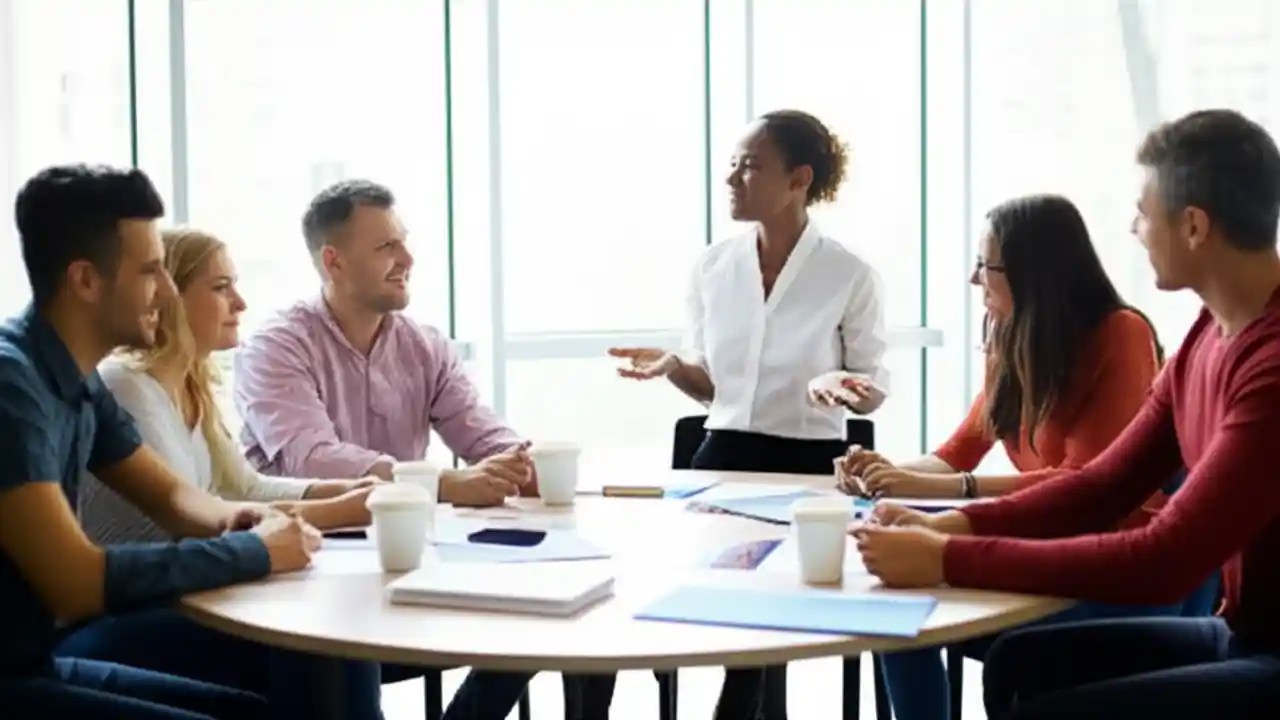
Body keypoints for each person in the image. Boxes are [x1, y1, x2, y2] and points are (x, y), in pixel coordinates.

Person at [854, 109, 1280, 719]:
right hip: (1242, 633)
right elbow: (1101, 485)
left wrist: (946, 558)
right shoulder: (1205, 337)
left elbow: (1166, 559)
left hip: (1266, 651)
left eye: (1143, 213)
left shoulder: (1271, 364)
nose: (1135, 229)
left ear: (1192, 226)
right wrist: (951, 526)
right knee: (1018, 665)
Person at [0, 164, 316, 719]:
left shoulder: (79, 377)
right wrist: (253, 551)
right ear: (85, 280)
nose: (168, 292)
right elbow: (76, 582)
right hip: (13, 676)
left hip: (33, 661)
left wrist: (235, 520)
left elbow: (171, 497)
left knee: (268, 708)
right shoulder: (11, 389)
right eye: (152, 272)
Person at [609, 109, 889, 720]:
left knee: (764, 596)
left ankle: (736, 712)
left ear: (799, 179)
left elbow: (872, 388)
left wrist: (846, 387)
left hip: (810, 469)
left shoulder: (848, 273)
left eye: (750, 165)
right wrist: (673, 367)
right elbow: (715, 391)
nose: (733, 177)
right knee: (647, 577)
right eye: (732, 164)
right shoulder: (713, 268)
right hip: (724, 456)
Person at [233, 179, 535, 718]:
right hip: (305, 573)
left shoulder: (423, 344)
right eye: (386, 247)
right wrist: (441, 483)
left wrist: (519, 462)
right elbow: (311, 457)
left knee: (535, 620)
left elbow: (477, 429)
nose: (408, 258)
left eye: (403, 242)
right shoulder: (276, 346)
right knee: (348, 646)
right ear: (334, 261)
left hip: (412, 561)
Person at [79, 228, 381, 546]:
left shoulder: (191, 387)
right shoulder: (125, 388)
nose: (240, 303)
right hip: (142, 591)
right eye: (222, 288)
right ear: (169, 298)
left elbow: (246, 489)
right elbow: (194, 520)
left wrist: (350, 489)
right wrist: (344, 510)